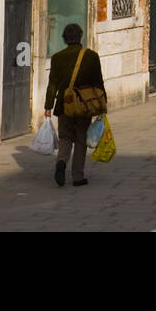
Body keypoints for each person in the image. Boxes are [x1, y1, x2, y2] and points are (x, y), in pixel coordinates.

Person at [44, 23, 103, 188]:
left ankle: (61, 162)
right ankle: (78, 176)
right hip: (84, 105)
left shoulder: (57, 58)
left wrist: (48, 106)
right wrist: (102, 107)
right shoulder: (91, 56)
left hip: (64, 104)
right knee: (81, 139)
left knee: (65, 137)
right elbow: (98, 82)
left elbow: (53, 85)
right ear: (80, 37)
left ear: (64, 39)